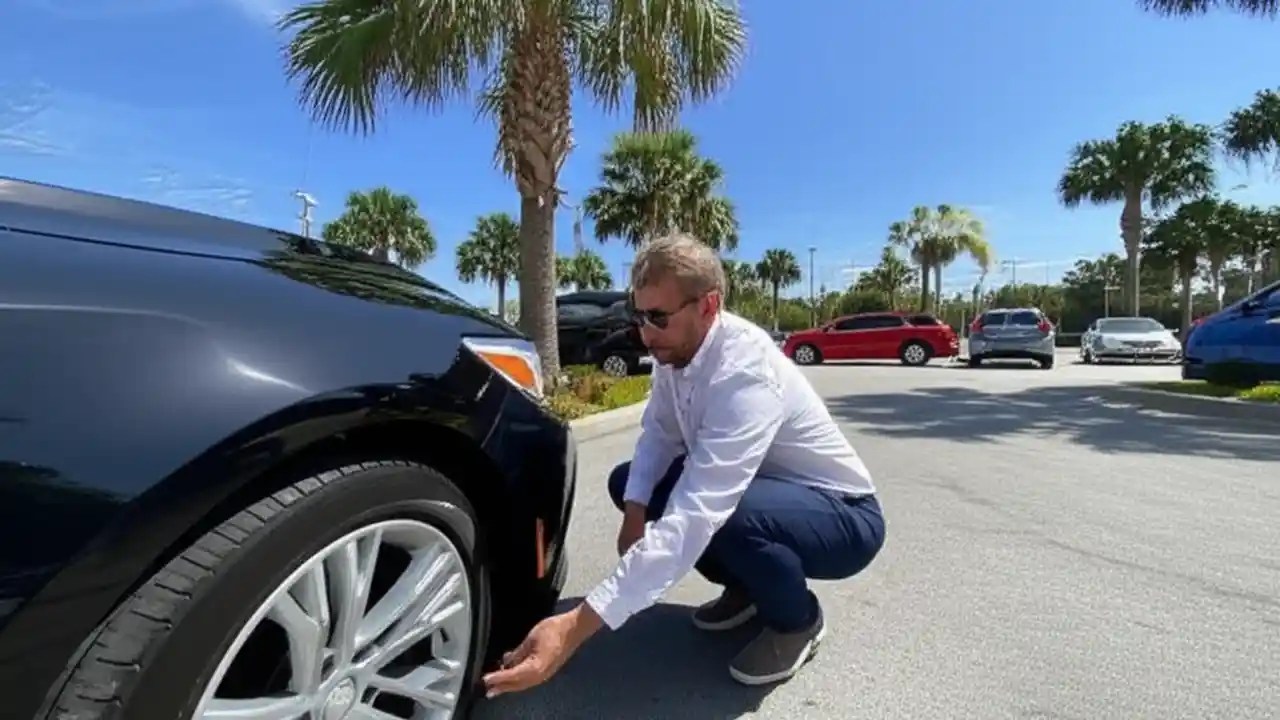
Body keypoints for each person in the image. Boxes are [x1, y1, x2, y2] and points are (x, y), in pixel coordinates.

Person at [483, 233, 886, 698]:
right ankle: (749, 586)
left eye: (658, 317)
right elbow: (658, 434)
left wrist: (575, 627)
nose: (644, 332)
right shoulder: (674, 354)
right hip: (761, 491)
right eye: (638, 315)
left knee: (724, 515)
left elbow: (697, 510)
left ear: (708, 306)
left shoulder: (745, 373)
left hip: (845, 514)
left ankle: (798, 620)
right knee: (630, 482)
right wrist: (635, 514)